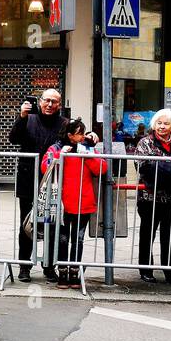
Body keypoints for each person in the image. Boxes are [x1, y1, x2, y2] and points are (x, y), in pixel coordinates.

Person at [41, 118, 105, 288]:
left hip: (82, 202)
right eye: (80, 133)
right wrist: (60, 155)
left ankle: (75, 273)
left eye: (83, 133)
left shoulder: (87, 148)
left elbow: (102, 169)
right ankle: (62, 273)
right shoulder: (56, 147)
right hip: (62, 203)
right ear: (70, 135)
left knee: (78, 239)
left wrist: (88, 156)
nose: (83, 136)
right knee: (62, 239)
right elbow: (45, 166)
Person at [9, 88, 65, 282]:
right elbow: (13, 138)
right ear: (40, 101)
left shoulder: (64, 123)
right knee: (27, 225)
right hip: (28, 179)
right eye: (47, 101)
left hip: (54, 181)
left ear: (59, 104)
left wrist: (91, 137)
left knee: (51, 224)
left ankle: (49, 267)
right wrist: (22, 116)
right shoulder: (29, 118)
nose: (50, 105)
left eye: (54, 102)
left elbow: (78, 136)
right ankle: (24, 267)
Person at [134, 108, 171, 283]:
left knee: (170, 235)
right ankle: (145, 270)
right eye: (159, 123)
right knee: (147, 234)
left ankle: (169, 271)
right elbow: (142, 167)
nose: (162, 126)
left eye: (166, 123)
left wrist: (160, 167)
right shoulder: (145, 142)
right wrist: (170, 168)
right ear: (154, 124)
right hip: (149, 198)